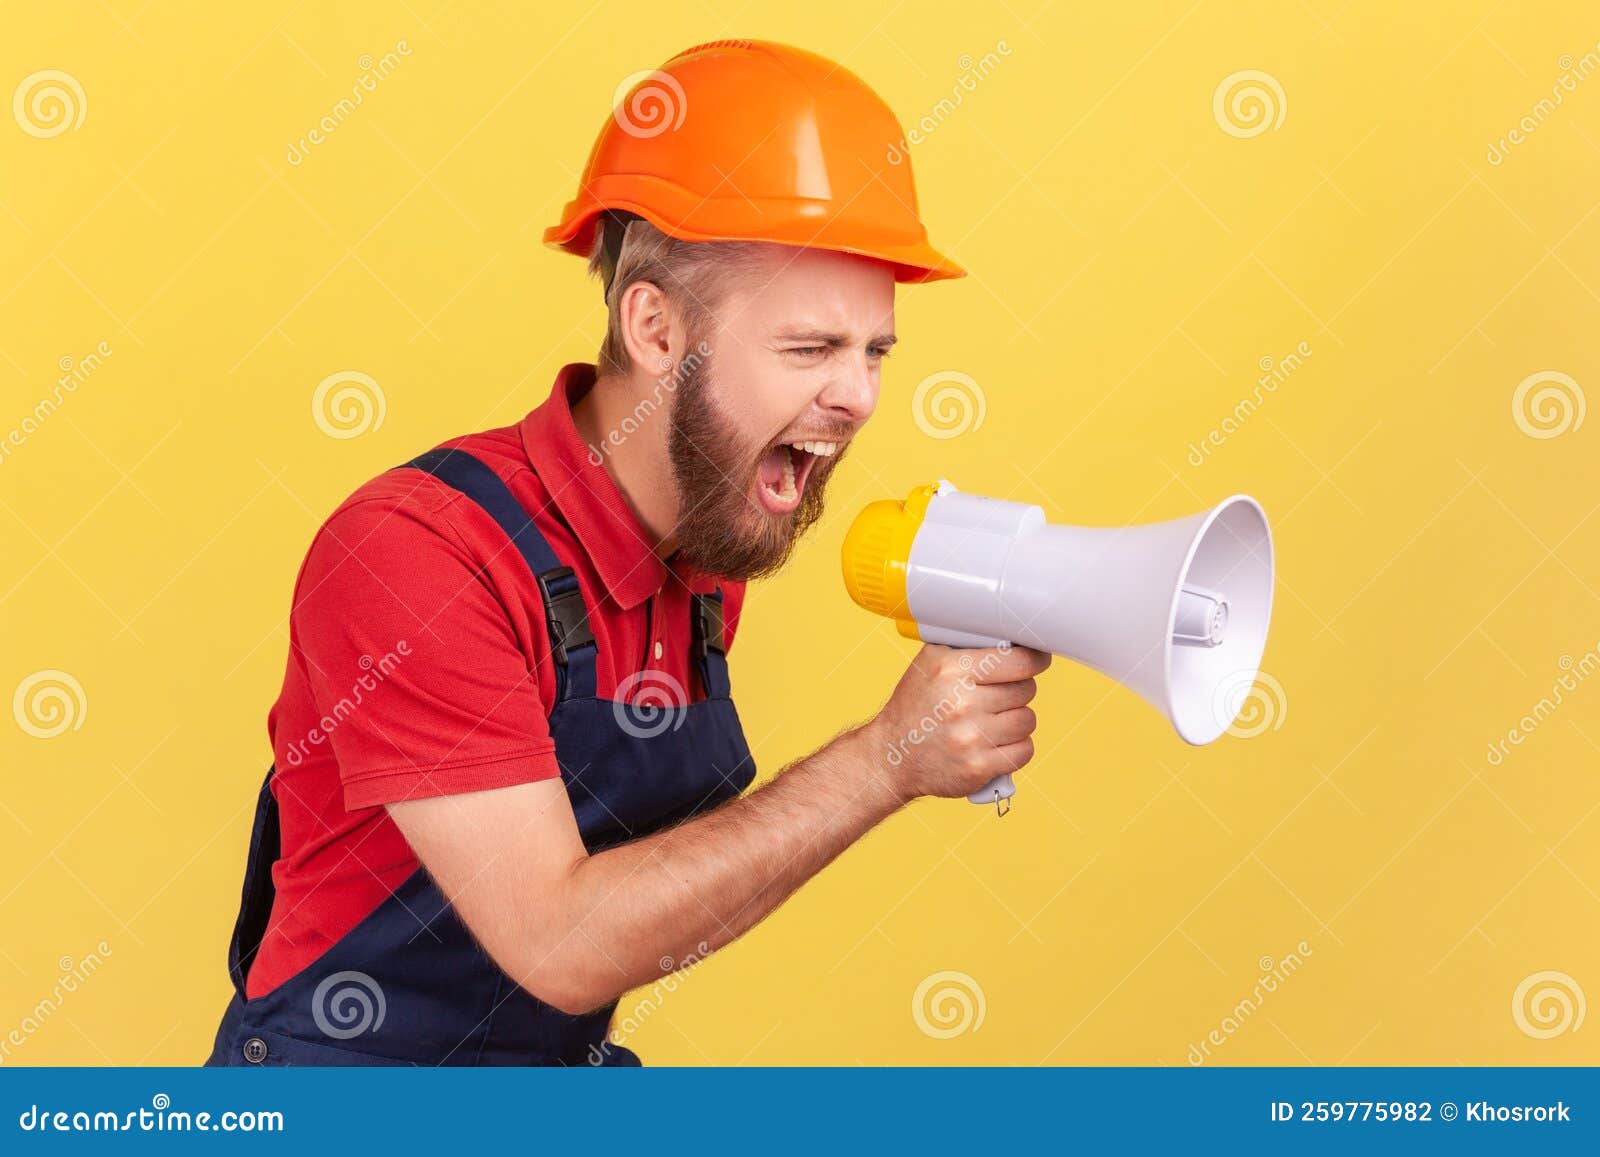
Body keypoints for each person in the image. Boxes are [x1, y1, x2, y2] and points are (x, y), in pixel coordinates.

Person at [207, 39, 1047, 1067]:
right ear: (652, 325)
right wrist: (886, 758)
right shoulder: (416, 553)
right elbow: (558, 940)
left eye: (873, 352)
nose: (859, 397)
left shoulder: (706, 551)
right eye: (809, 348)